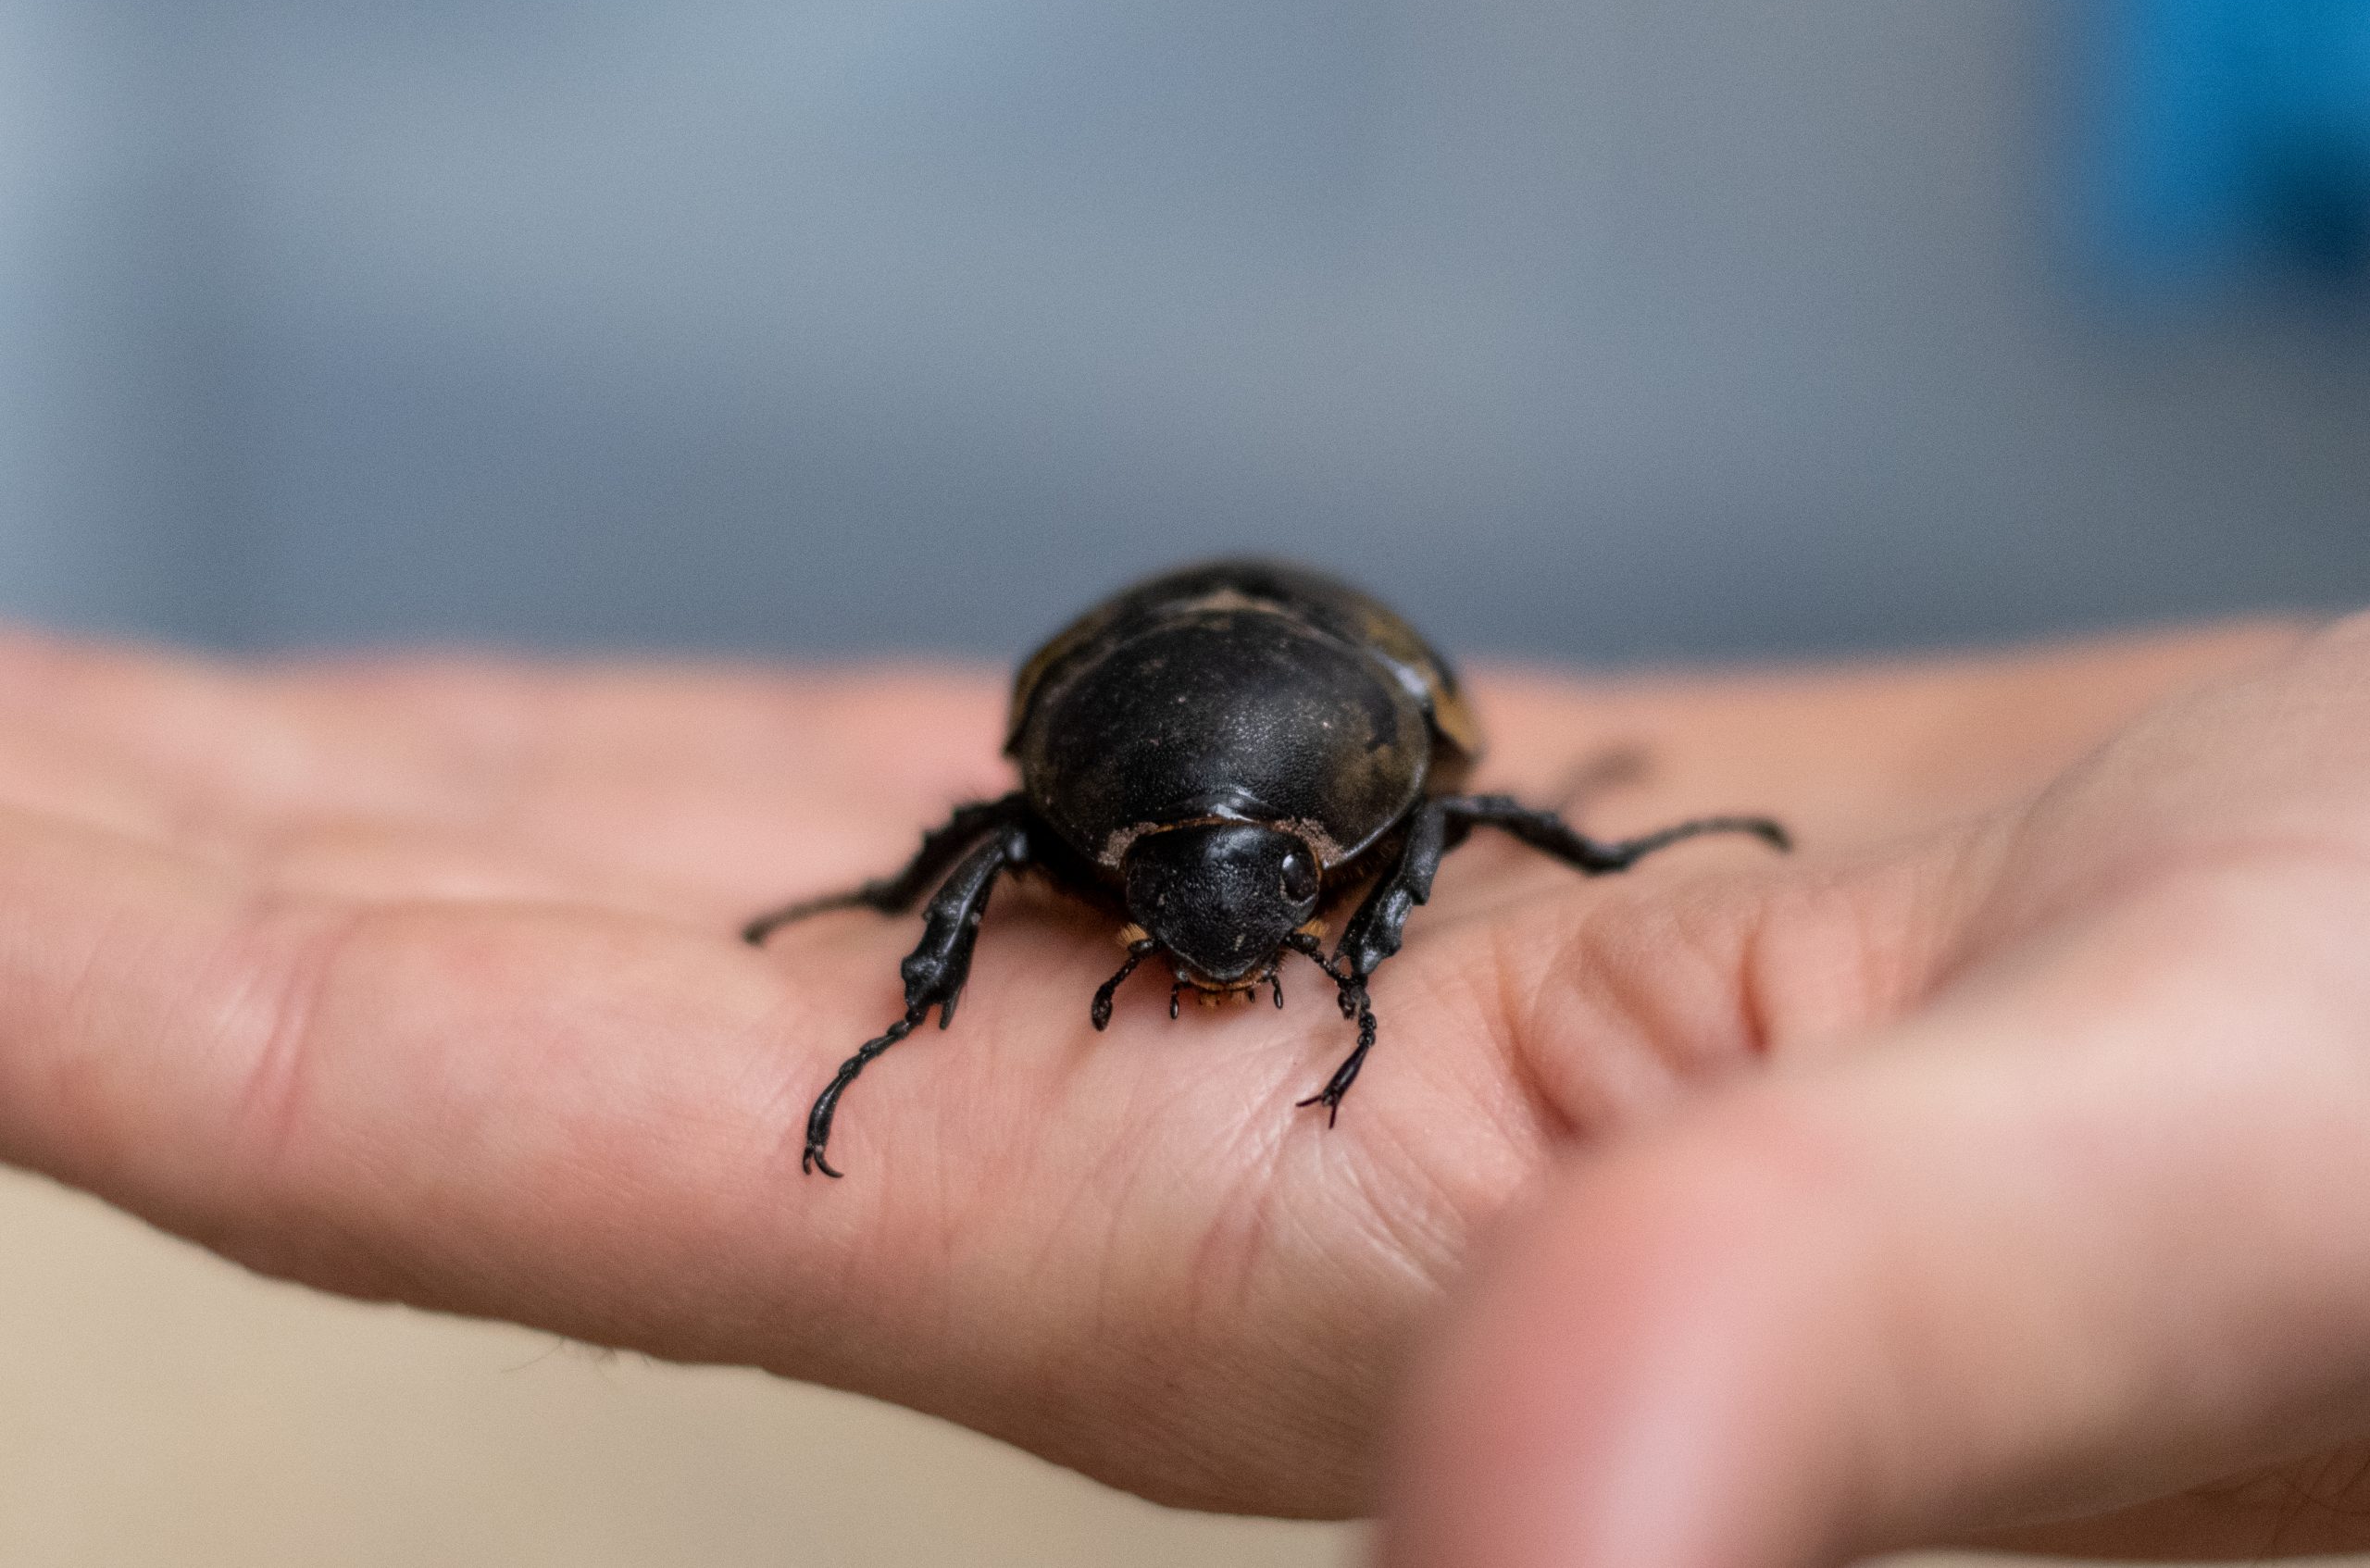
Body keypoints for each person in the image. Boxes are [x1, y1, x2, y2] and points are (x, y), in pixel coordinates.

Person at [0, 609, 2364, 1565]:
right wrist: (902, 971)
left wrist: (1433, 911)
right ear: (1094, 829)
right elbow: (990, 836)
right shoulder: (1059, 811)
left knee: (1463, 788)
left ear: (1340, 832)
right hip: (1165, 692)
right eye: (1161, 884)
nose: (1222, 935)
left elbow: (1445, 810)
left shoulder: (1388, 773)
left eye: (1283, 892)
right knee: (1001, 848)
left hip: (1336, 685)